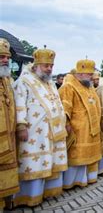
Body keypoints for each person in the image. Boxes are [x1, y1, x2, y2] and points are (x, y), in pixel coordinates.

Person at [13, 48, 68, 207]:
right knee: (33, 163)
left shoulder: (50, 82)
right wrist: (21, 125)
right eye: (46, 66)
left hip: (52, 131)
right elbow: (19, 105)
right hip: (33, 132)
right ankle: (28, 197)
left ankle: (45, 193)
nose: (49, 69)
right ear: (37, 65)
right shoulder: (24, 81)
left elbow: (58, 104)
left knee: (47, 161)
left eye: (51, 66)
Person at [59, 59, 102, 189]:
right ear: (80, 73)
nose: (92, 77)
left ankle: (87, 178)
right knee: (76, 155)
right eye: (89, 74)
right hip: (77, 128)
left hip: (91, 128)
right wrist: (67, 124)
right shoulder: (69, 86)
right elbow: (65, 107)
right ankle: (71, 182)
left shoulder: (88, 86)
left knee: (89, 154)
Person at [0, 39, 19, 210]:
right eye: (1, 57)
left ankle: (7, 202)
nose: (6, 60)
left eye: (7, 57)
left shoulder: (8, 80)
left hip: (9, 136)